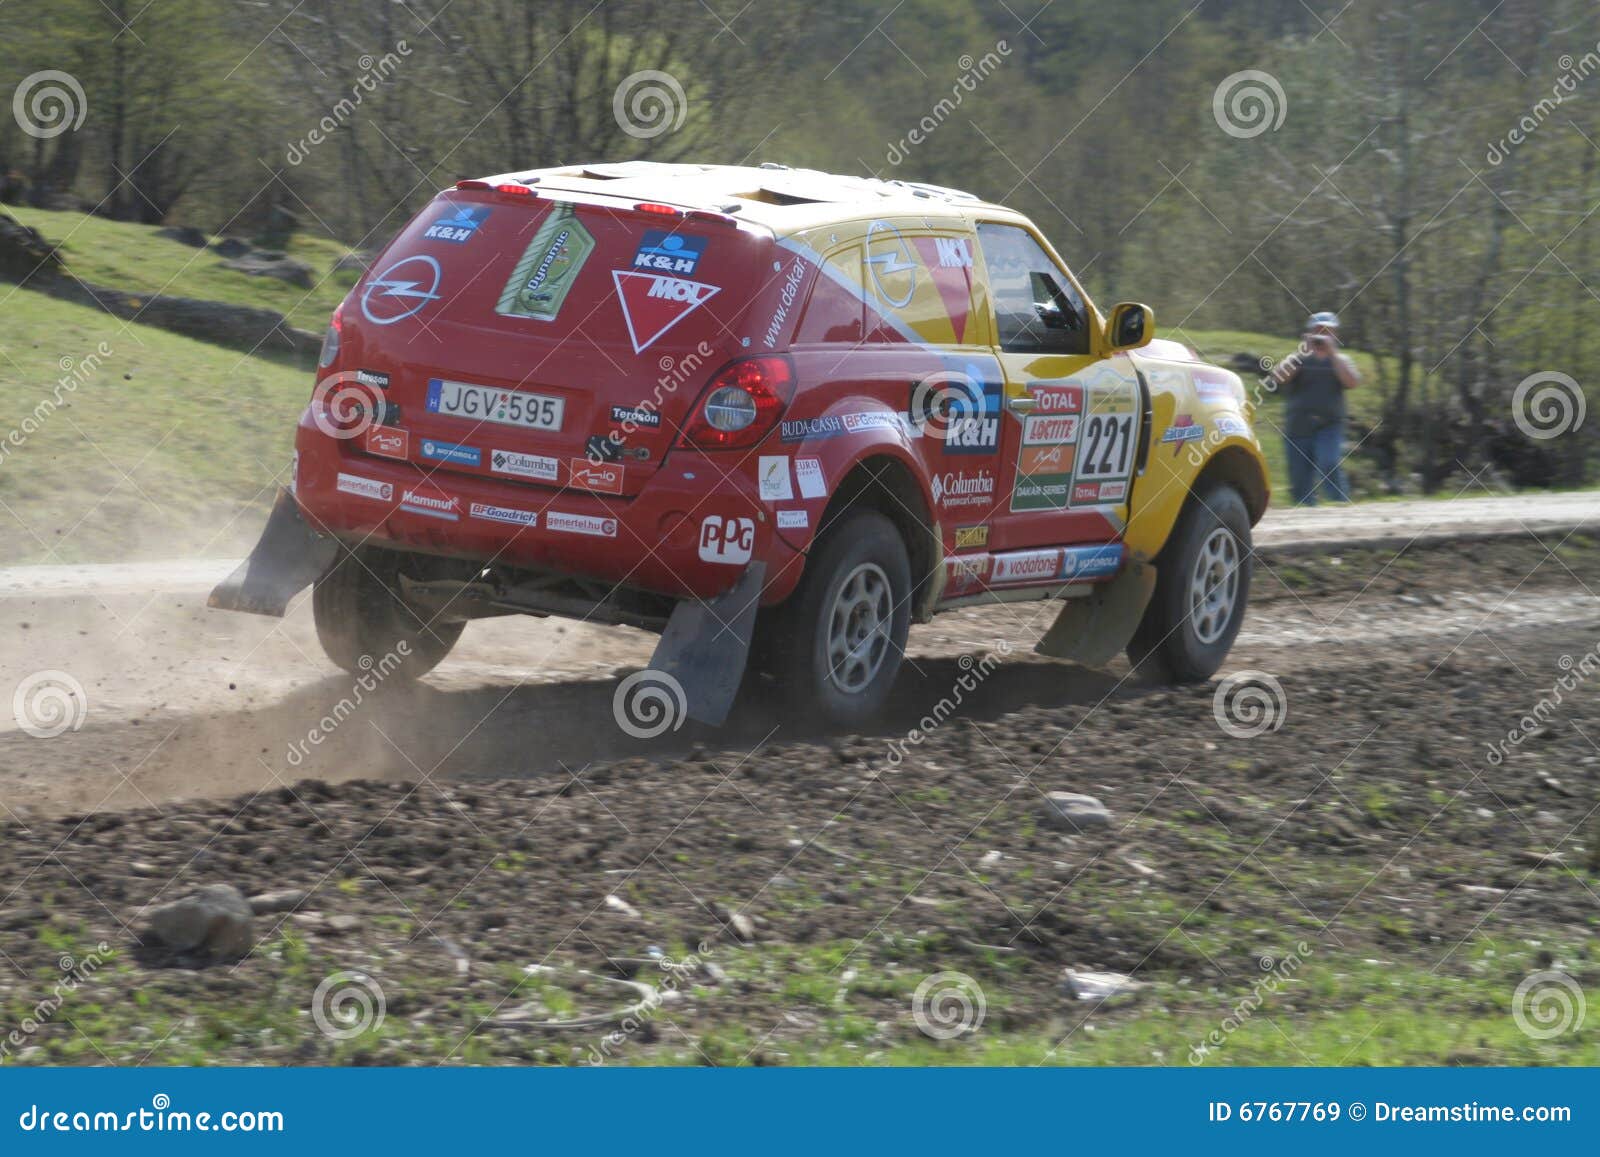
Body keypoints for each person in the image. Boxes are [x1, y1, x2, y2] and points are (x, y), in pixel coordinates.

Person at [1272, 310, 1359, 504]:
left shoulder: (1342, 360)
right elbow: (1278, 377)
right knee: (1300, 485)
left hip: (1329, 426)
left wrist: (1332, 354)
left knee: (1329, 462)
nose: (1323, 336)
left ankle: (1341, 506)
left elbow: (1352, 382)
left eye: (1328, 332)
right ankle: (1307, 520)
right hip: (1298, 427)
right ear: (1309, 334)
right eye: (1319, 331)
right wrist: (1302, 353)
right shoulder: (1296, 359)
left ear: (1336, 336)